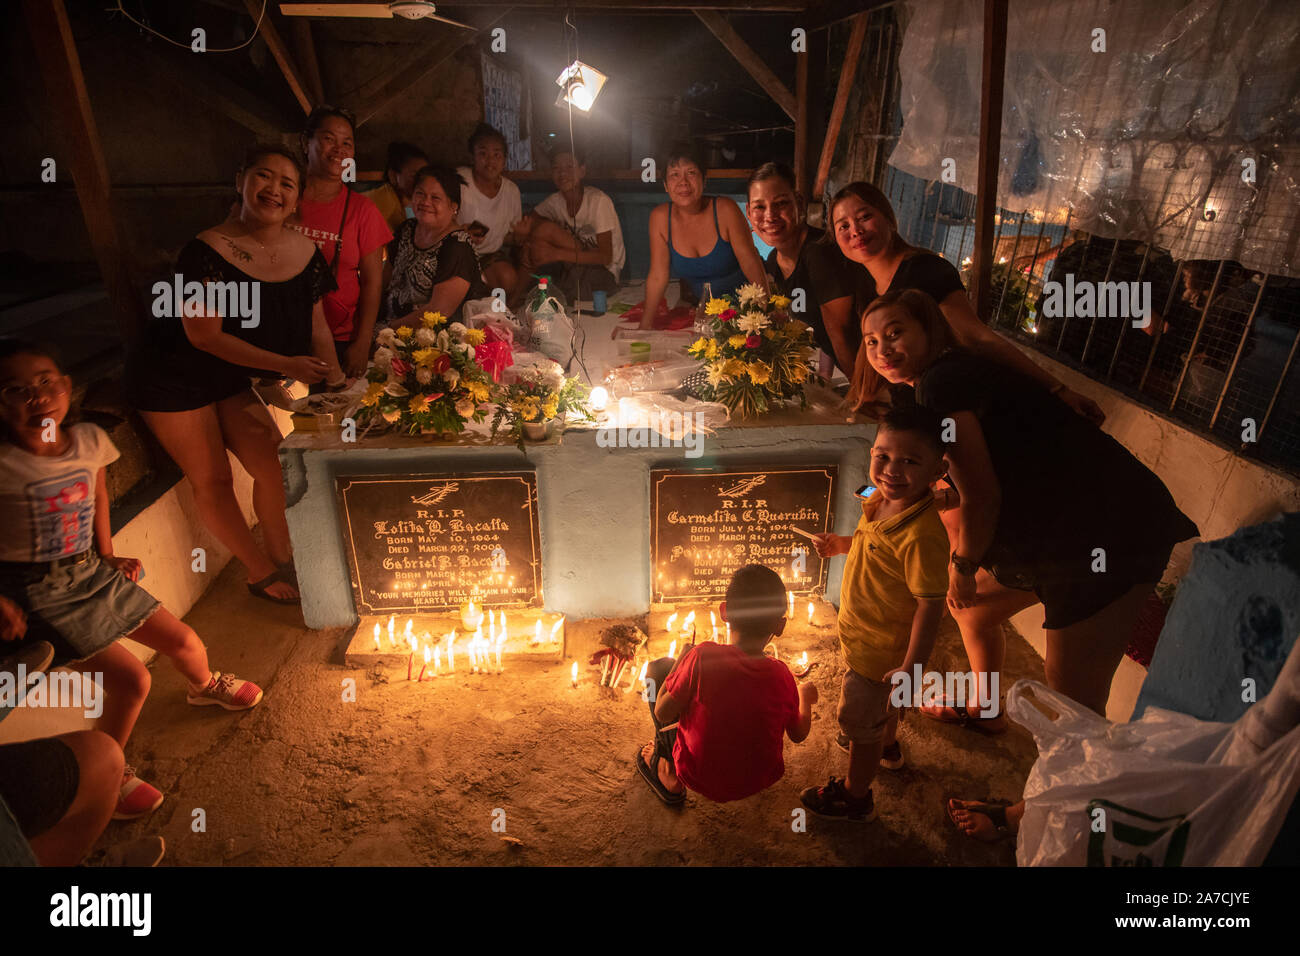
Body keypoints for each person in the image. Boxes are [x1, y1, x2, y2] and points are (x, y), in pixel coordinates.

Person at [854, 290, 1198, 840]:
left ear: (929, 331)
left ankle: (1035, 818)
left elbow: (982, 495)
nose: (882, 348)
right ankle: (988, 709)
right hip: (1065, 533)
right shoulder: (940, 381)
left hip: (1101, 538)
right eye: (871, 340)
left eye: (895, 332)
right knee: (973, 614)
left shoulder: (944, 384)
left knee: (1070, 710)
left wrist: (963, 563)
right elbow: (984, 475)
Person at [1, 339, 264, 823]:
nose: (36, 396)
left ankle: (202, 686)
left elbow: (98, 492)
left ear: (64, 386)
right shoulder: (5, 464)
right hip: (38, 592)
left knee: (185, 642)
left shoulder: (87, 441)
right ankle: (108, 773)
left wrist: (107, 554)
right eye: (16, 389)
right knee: (132, 681)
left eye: (44, 382)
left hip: (90, 570)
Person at [130, 145, 343, 604]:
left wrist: (340, 381)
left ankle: (285, 555)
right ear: (241, 181)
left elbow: (318, 326)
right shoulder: (204, 251)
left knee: (275, 466)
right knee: (213, 479)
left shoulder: (305, 252)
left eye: (287, 183)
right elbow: (203, 335)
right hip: (173, 373)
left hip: (228, 374)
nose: (274, 190)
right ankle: (259, 570)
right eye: (263, 177)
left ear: (297, 198)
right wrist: (287, 366)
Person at [831, 182, 1105, 424]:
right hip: (924, 413)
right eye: (843, 226)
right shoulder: (866, 286)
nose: (855, 230)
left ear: (889, 219)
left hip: (965, 407)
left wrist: (1058, 390)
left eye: (864, 217)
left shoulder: (924, 269)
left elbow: (977, 338)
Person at [799, 404, 952, 821]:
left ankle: (855, 795)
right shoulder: (880, 499)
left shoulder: (922, 536)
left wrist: (913, 665)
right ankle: (885, 744)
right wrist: (841, 544)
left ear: (939, 467)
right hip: (866, 635)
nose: (891, 470)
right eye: (882, 456)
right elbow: (871, 544)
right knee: (886, 704)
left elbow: (931, 604)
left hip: (882, 651)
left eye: (909, 461)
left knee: (858, 717)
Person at [636, 564, 816, 805]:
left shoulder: (702, 657)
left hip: (697, 773)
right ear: (780, 626)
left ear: (724, 611)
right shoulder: (782, 676)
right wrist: (806, 698)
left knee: (656, 670)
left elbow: (662, 711)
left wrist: (682, 658)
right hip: (758, 778)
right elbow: (798, 733)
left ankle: (668, 772)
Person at [292, 105, 393, 378]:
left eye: (347, 143)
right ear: (305, 143)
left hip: (338, 337)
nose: (339, 149)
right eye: (328, 139)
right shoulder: (284, 201)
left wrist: (361, 343)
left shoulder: (363, 210)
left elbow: (373, 282)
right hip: (283, 334)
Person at [747, 162, 865, 376]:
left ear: (799, 203)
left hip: (881, 372)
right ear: (748, 212)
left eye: (781, 203)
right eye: (759, 207)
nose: (770, 216)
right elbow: (822, 327)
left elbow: (841, 333)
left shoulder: (820, 253)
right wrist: (825, 377)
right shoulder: (775, 261)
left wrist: (860, 395)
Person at [639, 143, 767, 330]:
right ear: (666, 185)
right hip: (708, 313)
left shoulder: (725, 210)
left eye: (691, 173)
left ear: (704, 180)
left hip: (748, 310)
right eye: (674, 175)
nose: (683, 182)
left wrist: (765, 311)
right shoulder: (660, 218)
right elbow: (658, 275)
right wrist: (644, 327)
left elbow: (751, 262)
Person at [516, 145, 625, 302]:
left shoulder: (598, 201)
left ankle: (551, 292)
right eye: (556, 168)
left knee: (563, 290)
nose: (562, 173)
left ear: (582, 171)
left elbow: (605, 257)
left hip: (603, 271)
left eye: (569, 167)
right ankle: (514, 297)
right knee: (542, 233)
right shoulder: (555, 201)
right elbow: (529, 220)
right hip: (573, 264)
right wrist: (526, 240)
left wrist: (556, 253)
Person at [386, 166, 489, 325]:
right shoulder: (406, 229)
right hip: (391, 323)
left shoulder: (458, 247)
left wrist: (387, 331)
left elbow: (439, 311)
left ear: (453, 207)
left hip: (437, 335)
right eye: (420, 194)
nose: (425, 202)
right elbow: (383, 280)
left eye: (435, 198)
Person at [457, 124, 523, 301]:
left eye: (497, 154)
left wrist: (520, 235)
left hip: (489, 256)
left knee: (507, 279)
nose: (490, 160)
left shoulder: (511, 191)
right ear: (473, 157)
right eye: (483, 153)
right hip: (458, 251)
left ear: (504, 159)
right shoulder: (460, 181)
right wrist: (461, 231)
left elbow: (509, 236)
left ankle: (499, 314)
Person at [368, 141, 430, 232]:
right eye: (414, 176)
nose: (421, 181)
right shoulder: (385, 202)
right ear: (393, 176)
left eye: (424, 176)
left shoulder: (406, 202)